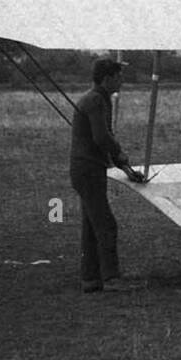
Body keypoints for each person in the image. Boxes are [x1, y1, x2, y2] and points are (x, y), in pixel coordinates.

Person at [70, 58, 146, 293]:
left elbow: (105, 137)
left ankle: (91, 279)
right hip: (88, 170)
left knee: (91, 225)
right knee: (106, 225)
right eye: (118, 76)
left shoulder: (99, 99)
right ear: (107, 78)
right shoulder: (96, 100)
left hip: (86, 169)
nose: (122, 80)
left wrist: (126, 168)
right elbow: (102, 138)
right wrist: (120, 154)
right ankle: (111, 278)